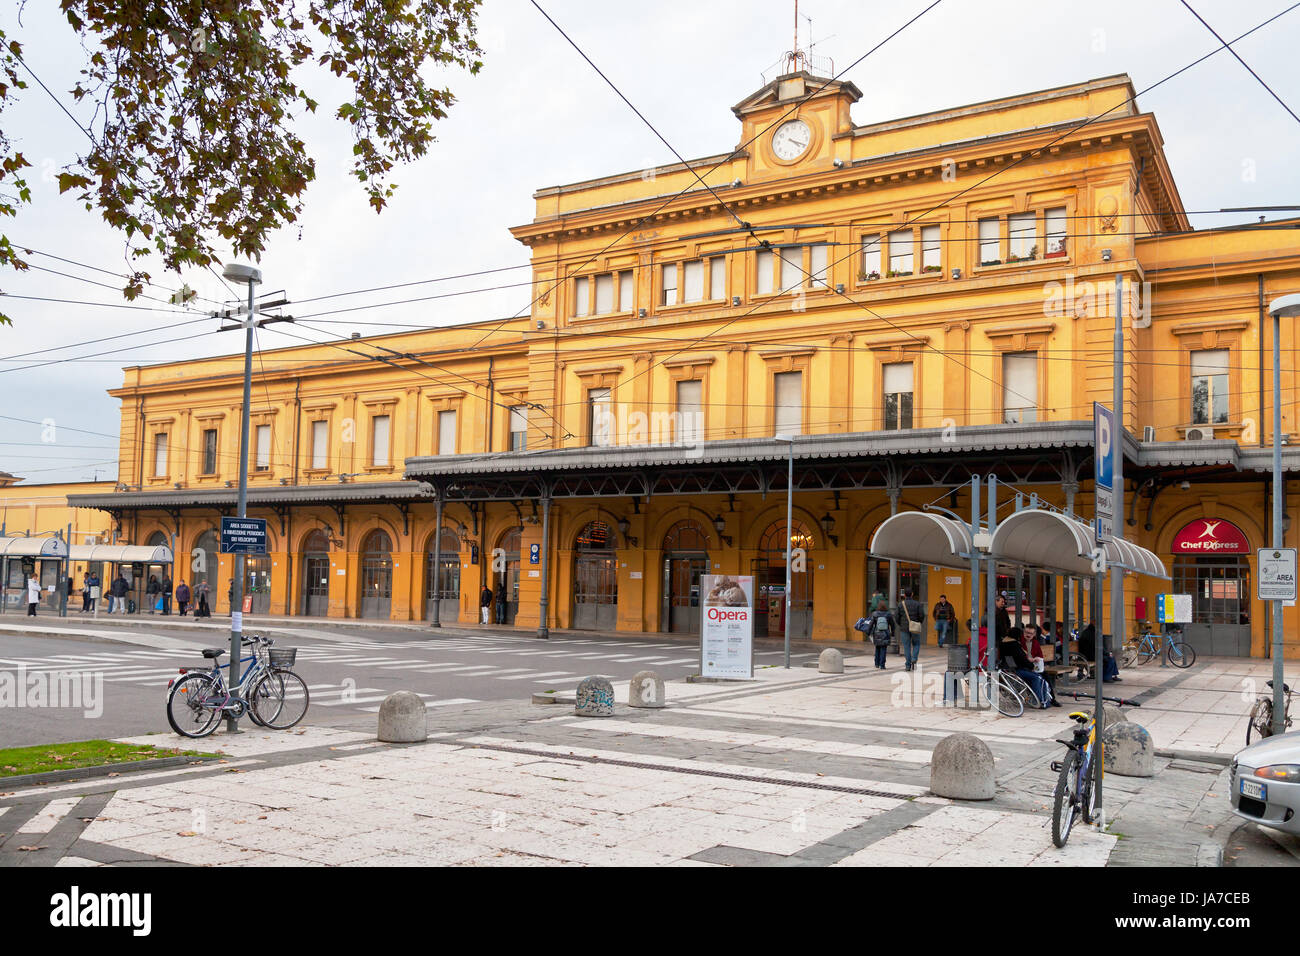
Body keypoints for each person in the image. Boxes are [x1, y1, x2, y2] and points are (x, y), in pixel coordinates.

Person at [1000, 626, 1057, 708]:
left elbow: (1032, 657)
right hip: (1018, 670)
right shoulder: (1015, 644)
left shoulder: (1005, 643)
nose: (1028, 635)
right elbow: (1022, 659)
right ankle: (1041, 701)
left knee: (1043, 675)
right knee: (1039, 678)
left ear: (1034, 634)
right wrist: (1031, 665)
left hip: (1012, 669)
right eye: (1026, 633)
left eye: (1030, 633)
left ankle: (1049, 699)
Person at [858, 598, 894, 669]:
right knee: (883, 649)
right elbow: (892, 625)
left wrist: (868, 632)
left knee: (877, 648)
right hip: (885, 633)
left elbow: (871, 624)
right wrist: (892, 633)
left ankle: (876, 663)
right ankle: (882, 665)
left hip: (877, 633)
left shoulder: (875, 614)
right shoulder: (888, 614)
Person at [896, 588, 926, 671]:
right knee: (916, 644)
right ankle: (914, 659)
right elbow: (922, 615)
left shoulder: (900, 604)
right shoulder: (918, 604)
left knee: (906, 646)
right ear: (912, 594)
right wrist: (918, 622)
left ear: (904, 595)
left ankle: (908, 665)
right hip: (915, 627)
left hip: (904, 628)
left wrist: (901, 624)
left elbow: (896, 617)